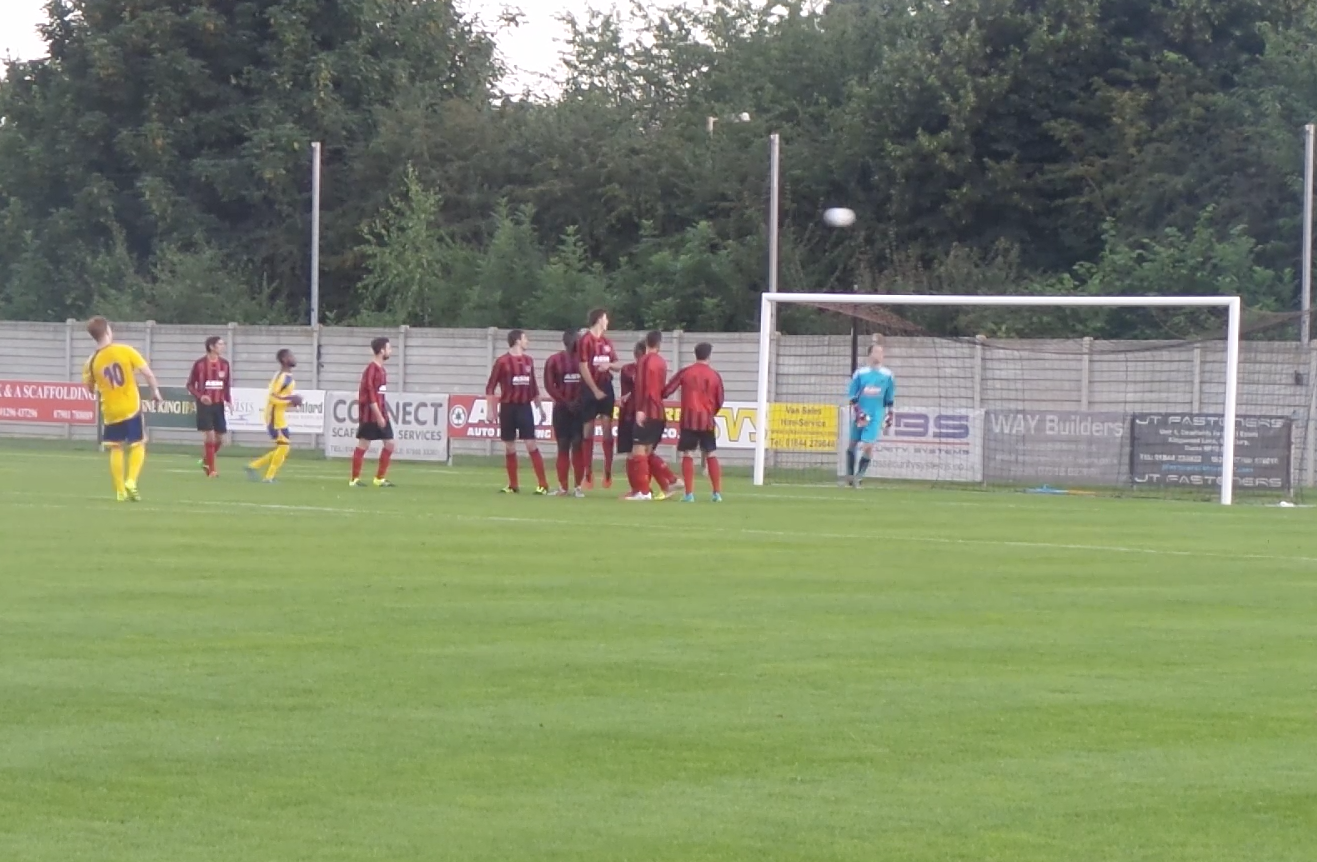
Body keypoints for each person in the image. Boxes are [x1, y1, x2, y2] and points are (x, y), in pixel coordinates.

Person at [80, 316, 163, 502]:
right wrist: (155, 391)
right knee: (139, 444)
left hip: (110, 410)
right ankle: (131, 481)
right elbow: (147, 373)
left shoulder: (91, 362)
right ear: (108, 331)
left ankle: (119, 491)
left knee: (116, 448)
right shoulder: (125, 350)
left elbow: (89, 388)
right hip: (131, 406)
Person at [487, 329, 549, 495]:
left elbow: (533, 387)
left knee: (531, 444)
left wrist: (540, 408)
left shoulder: (529, 361)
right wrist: (490, 410)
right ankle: (513, 485)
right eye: (524, 338)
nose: (527, 341)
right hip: (508, 408)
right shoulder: (502, 362)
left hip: (524, 407)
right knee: (509, 446)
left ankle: (543, 484)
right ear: (516, 341)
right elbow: (490, 387)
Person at [663, 342, 726, 502]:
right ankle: (716, 493)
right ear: (709, 356)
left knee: (687, 453)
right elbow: (720, 400)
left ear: (695, 354)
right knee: (711, 453)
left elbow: (668, 389)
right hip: (706, 420)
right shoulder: (715, 376)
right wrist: (711, 413)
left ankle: (689, 494)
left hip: (689, 419)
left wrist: (660, 394)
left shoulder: (686, 372)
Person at [625, 330, 677, 501]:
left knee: (638, 450)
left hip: (647, 411)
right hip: (659, 412)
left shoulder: (644, 361)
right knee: (646, 452)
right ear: (659, 344)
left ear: (647, 342)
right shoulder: (662, 362)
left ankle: (644, 492)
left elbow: (641, 386)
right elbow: (661, 389)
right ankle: (670, 481)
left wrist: (640, 409)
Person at [575, 308, 621, 489]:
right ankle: (588, 473)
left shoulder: (607, 342)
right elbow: (583, 367)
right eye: (606, 318)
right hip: (589, 390)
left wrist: (609, 364)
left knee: (608, 430)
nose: (608, 321)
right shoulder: (585, 340)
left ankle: (607, 472)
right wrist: (593, 389)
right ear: (599, 320)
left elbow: (617, 365)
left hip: (606, 388)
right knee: (588, 431)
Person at [246, 349, 301, 483]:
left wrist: (291, 403)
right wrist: (290, 399)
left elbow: (280, 398)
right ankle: (267, 476)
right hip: (274, 417)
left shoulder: (286, 376)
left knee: (283, 448)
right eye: (290, 356)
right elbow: (272, 397)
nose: (294, 358)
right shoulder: (282, 377)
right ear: (284, 359)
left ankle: (254, 466)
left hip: (279, 416)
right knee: (284, 447)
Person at [846, 342, 896, 488]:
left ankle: (859, 477)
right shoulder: (860, 373)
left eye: (881, 352)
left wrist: (890, 413)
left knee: (868, 446)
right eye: (876, 352)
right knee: (852, 444)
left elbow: (889, 397)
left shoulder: (888, 375)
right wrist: (858, 411)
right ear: (870, 354)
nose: (879, 355)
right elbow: (852, 394)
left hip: (876, 414)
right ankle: (850, 474)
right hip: (861, 413)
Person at [543, 329, 586, 496]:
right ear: (568, 341)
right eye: (577, 339)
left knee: (577, 444)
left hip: (579, 408)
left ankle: (578, 487)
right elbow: (549, 385)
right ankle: (563, 487)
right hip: (562, 409)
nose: (580, 342)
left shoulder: (583, 360)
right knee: (562, 445)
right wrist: (565, 402)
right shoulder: (554, 360)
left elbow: (588, 381)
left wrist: (580, 401)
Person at [350, 337, 396, 488]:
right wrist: (378, 415)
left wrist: (383, 413)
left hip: (381, 413)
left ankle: (379, 478)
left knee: (389, 443)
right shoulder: (371, 370)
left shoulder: (382, 370)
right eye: (389, 348)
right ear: (382, 350)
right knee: (363, 444)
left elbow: (379, 394)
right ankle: (354, 480)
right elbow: (370, 395)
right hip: (370, 415)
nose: (391, 351)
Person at [186, 335, 232, 477]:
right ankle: (212, 470)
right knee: (210, 437)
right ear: (211, 347)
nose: (223, 346)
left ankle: (206, 460)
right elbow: (190, 385)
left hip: (218, 405)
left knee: (220, 439)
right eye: (220, 344)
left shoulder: (225, 364)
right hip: (204, 405)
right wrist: (201, 396)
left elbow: (226, 384)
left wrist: (228, 400)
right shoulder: (199, 364)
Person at [615, 340, 645, 469]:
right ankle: (637, 487)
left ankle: (640, 487)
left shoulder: (646, 370)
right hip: (631, 413)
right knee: (633, 452)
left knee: (640, 452)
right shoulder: (628, 370)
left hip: (638, 413)